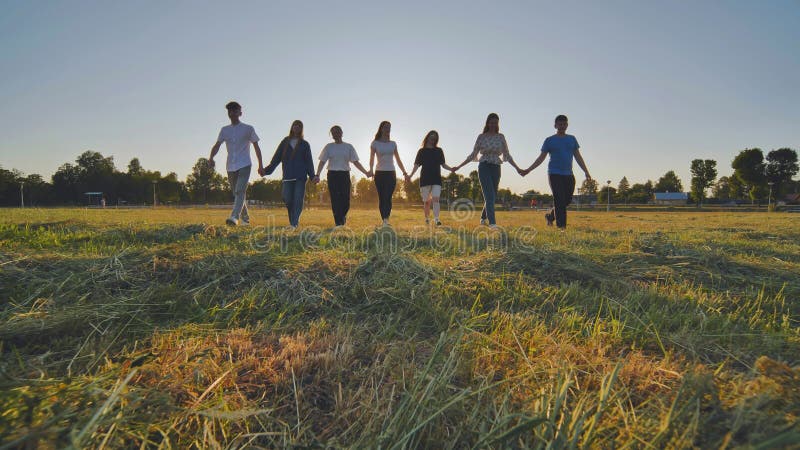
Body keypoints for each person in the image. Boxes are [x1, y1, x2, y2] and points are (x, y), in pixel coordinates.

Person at [450, 113, 524, 228]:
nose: (494, 125)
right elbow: (473, 154)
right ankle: (493, 223)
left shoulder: (501, 137)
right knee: (489, 196)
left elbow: (507, 155)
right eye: (492, 122)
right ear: (488, 123)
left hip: (496, 167)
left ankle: (483, 218)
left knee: (492, 196)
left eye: (496, 123)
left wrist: (517, 168)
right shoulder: (481, 137)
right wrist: (459, 166)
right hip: (484, 166)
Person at [520, 114, 592, 229]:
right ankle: (561, 227)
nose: (562, 126)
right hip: (554, 173)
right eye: (560, 124)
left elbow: (578, 156)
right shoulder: (549, 140)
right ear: (555, 125)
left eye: (564, 124)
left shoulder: (572, 139)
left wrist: (586, 171)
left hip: (568, 174)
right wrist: (529, 169)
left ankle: (550, 217)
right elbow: (541, 158)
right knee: (559, 199)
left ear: (567, 125)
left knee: (566, 200)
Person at [209, 101, 264, 226]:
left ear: (240, 113)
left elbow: (256, 147)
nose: (232, 113)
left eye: (235, 110)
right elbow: (217, 145)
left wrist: (260, 165)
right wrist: (211, 157)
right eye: (230, 111)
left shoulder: (248, 129)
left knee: (240, 191)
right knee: (237, 193)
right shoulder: (224, 130)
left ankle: (234, 217)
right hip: (230, 166)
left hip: (245, 164)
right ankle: (246, 219)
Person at [261, 120, 315, 230]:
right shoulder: (285, 142)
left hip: (300, 177)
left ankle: (294, 224)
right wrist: (266, 171)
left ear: (301, 129)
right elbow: (276, 158)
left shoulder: (305, 144)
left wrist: (313, 176)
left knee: (298, 200)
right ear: (292, 127)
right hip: (287, 177)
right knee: (287, 199)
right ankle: (293, 221)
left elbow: (309, 161)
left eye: (299, 126)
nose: (297, 127)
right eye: (295, 125)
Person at [314, 125, 372, 227]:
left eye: (337, 132)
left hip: (344, 175)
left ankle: (342, 217)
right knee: (335, 199)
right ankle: (338, 223)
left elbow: (356, 162)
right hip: (332, 174)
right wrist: (317, 174)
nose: (335, 134)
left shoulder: (348, 147)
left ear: (342, 133)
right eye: (333, 133)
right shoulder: (329, 147)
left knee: (346, 200)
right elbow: (322, 162)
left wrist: (365, 172)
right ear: (332, 135)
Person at [406, 130, 453, 226]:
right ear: (427, 138)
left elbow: (443, 165)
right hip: (425, 179)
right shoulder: (421, 151)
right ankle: (427, 219)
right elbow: (416, 165)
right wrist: (410, 175)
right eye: (431, 138)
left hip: (436, 179)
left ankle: (436, 219)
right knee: (427, 202)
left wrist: (451, 169)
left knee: (436, 199)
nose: (433, 140)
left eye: (435, 138)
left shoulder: (439, 151)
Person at [369, 121, 409, 226]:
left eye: (389, 127)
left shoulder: (393, 144)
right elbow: (372, 158)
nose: (388, 129)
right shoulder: (375, 143)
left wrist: (404, 172)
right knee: (382, 197)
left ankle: (386, 219)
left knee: (388, 196)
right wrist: (371, 169)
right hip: (379, 173)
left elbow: (398, 159)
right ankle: (384, 219)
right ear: (381, 128)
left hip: (391, 173)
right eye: (386, 127)